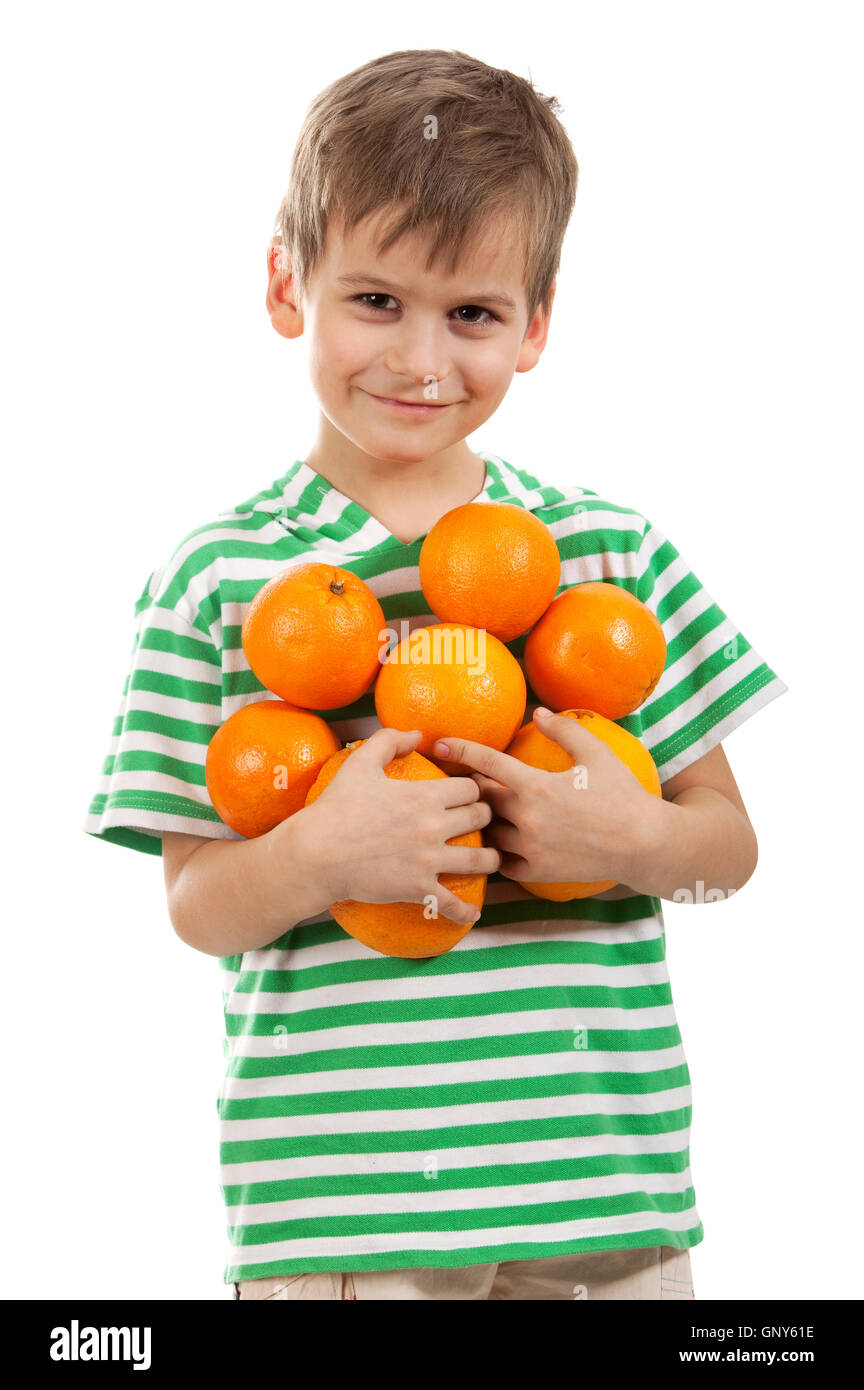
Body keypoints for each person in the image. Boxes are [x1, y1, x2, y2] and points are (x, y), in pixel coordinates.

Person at [83, 48, 787, 1301]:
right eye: (375, 300)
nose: (419, 358)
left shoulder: (609, 555)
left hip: (602, 1198)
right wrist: (318, 860)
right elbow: (196, 907)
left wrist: (630, 835)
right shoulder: (217, 581)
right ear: (285, 285)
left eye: (470, 313)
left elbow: (727, 850)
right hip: (346, 1218)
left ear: (537, 324)